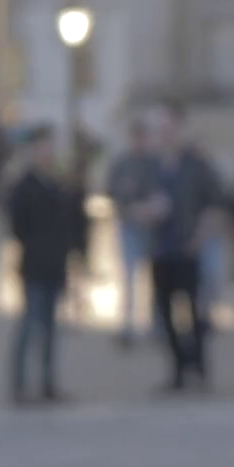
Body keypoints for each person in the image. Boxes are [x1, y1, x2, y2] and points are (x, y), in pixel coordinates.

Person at [139, 103, 223, 392]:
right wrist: (147, 211)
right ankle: (176, 369)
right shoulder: (151, 166)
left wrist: (200, 236)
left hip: (188, 249)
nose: (165, 134)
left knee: (194, 311)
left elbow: (215, 202)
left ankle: (198, 367)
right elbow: (131, 204)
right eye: (161, 129)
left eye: (170, 128)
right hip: (160, 251)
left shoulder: (195, 166)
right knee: (165, 313)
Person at [3, 126, 72, 405]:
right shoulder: (24, 187)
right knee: (29, 327)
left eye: (50, 147)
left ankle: (48, 384)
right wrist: (35, 247)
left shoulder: (57, 185)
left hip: (55, 266)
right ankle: (20, 386)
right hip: (34, 267)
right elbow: (16, 226)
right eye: (43, 147)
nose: (48, 153)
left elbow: (66, 226)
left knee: (51, 330)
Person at [104, 118, 158, 349]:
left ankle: (157, 326)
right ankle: (127, 326)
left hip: (151, 229)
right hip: (128, 226)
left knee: (153, 278)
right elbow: (110, 190)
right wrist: (125, 203)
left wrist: (148, 208)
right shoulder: (122, 164)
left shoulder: (154, 163)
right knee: (128, 277)